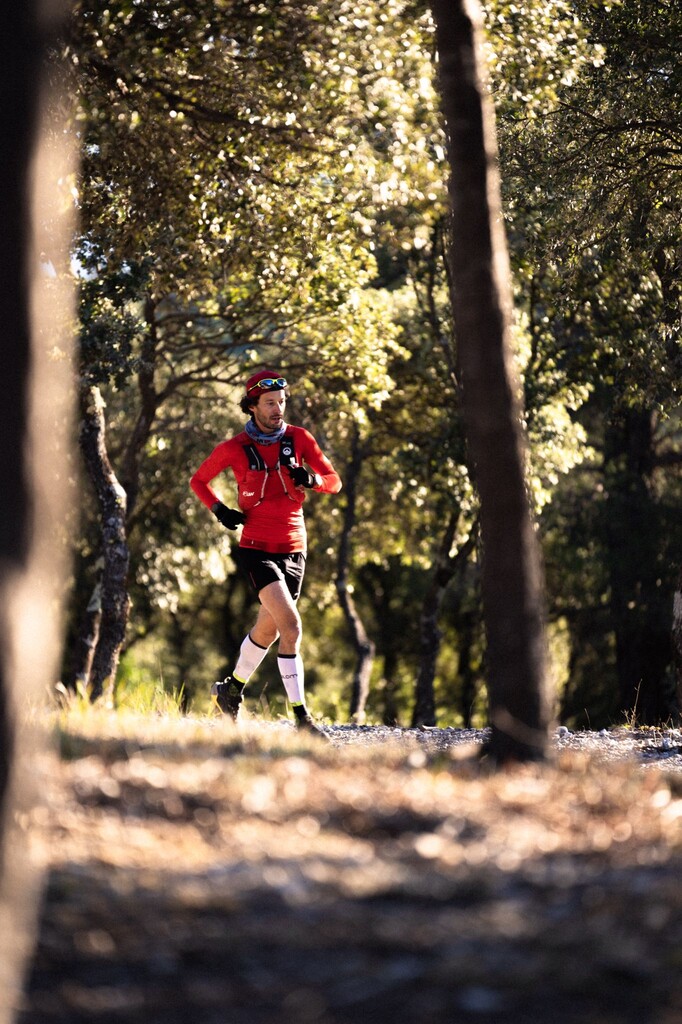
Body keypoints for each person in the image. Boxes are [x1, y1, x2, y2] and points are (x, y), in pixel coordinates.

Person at [190, 369, 342, 736]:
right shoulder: (234, 448)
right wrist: (219, 509)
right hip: (256, 547)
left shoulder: (299, 438)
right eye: (270, 403)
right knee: (291, 626)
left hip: (295, 548)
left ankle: (231, 690)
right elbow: (198, 480)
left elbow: (334, 481)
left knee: (270, 629)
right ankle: (302, 718)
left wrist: (314, 480)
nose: (278, 410)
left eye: (282, 402)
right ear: (252, 405)